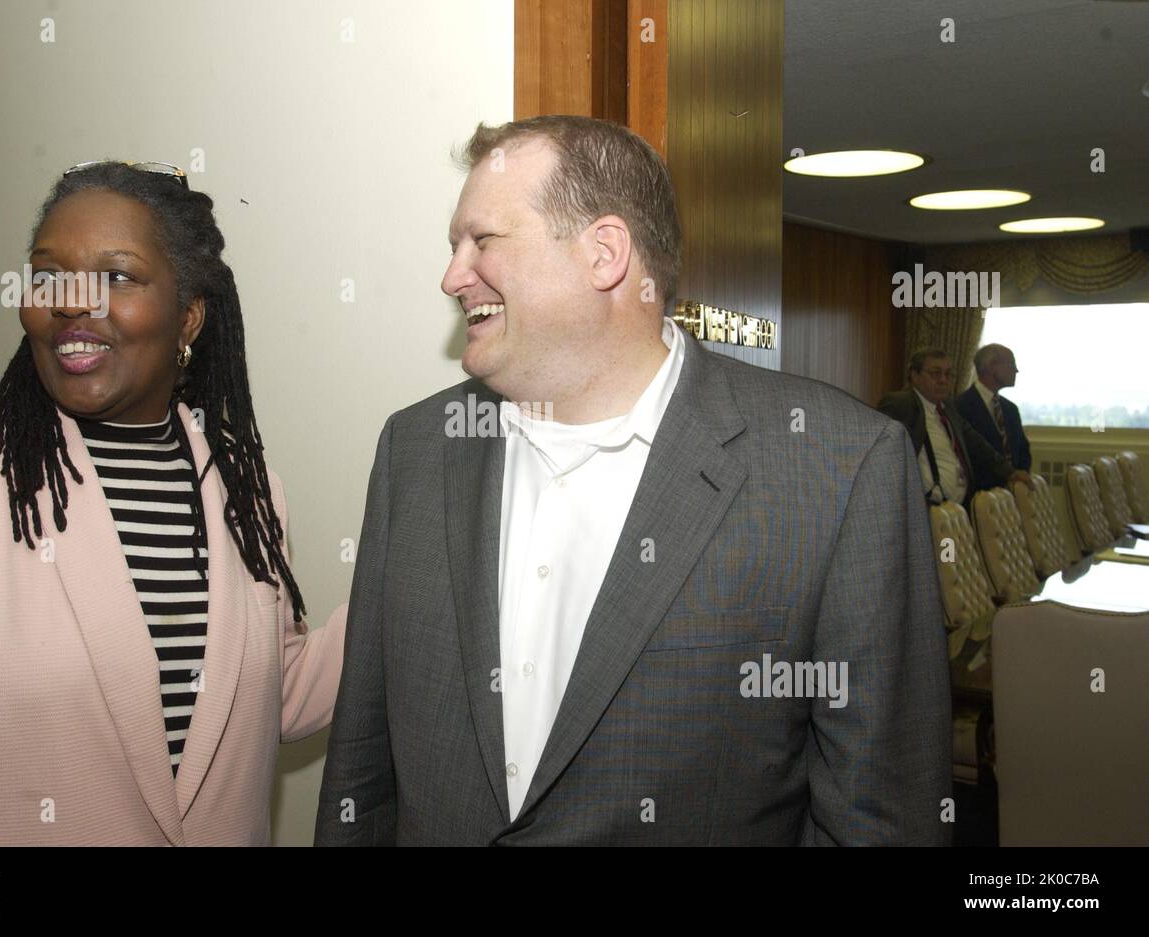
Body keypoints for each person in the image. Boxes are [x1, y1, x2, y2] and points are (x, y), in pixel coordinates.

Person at [315, 115, 950, 845]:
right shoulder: (416, 450)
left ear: (604, 253)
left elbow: (880, 818)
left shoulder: (838, 468)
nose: (452, 275)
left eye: (482, 240)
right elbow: (359, 767)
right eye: (454, 246)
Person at [0, 161, 344, 845]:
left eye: (117, 276)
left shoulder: (247, 488)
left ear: (189, 318)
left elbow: (269, 695)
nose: (72, 301)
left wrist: (419, 569)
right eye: (49, 274)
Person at [878, 348, 1029, 507]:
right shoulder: (900, 404)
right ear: (914, 376)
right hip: (923, 508)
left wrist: (1011, 472)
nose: (943, 380)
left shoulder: (948, 406)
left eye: (948, 374)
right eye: (935, 373)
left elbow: (977, 444)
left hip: (958, 509)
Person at [954, 343, 1031, 471]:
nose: (1016, 370)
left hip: (1014, 487)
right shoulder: (959, 407)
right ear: (990, 367)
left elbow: (1023, 453)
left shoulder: (1010, 409)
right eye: (1011, 364)